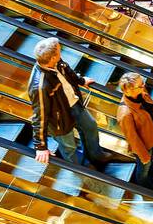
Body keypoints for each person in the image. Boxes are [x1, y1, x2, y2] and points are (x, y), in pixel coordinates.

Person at [29, 37, 107, 171]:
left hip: (74, 104)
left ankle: (96, 156)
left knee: (90, 127)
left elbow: (68, 72)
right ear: (52, 58)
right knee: (69, 148)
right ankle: (80, 170)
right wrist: (40, 146)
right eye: (59, 50)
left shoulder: (57, 62)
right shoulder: (40, 86)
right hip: (59, 121)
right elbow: (39, 115)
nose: (61, 51)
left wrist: (81, 81)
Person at [115, 72, 153, 188]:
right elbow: (133, 138)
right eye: (140, 85)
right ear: (128, 91)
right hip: (144, 145)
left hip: (151, 137)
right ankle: (144, 187)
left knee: (151, 161)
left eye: (143, 83)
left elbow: (151, 108)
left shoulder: (140, 93)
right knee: (144, 168)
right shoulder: (126, 114)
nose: (144, 86)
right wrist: (144, 156)